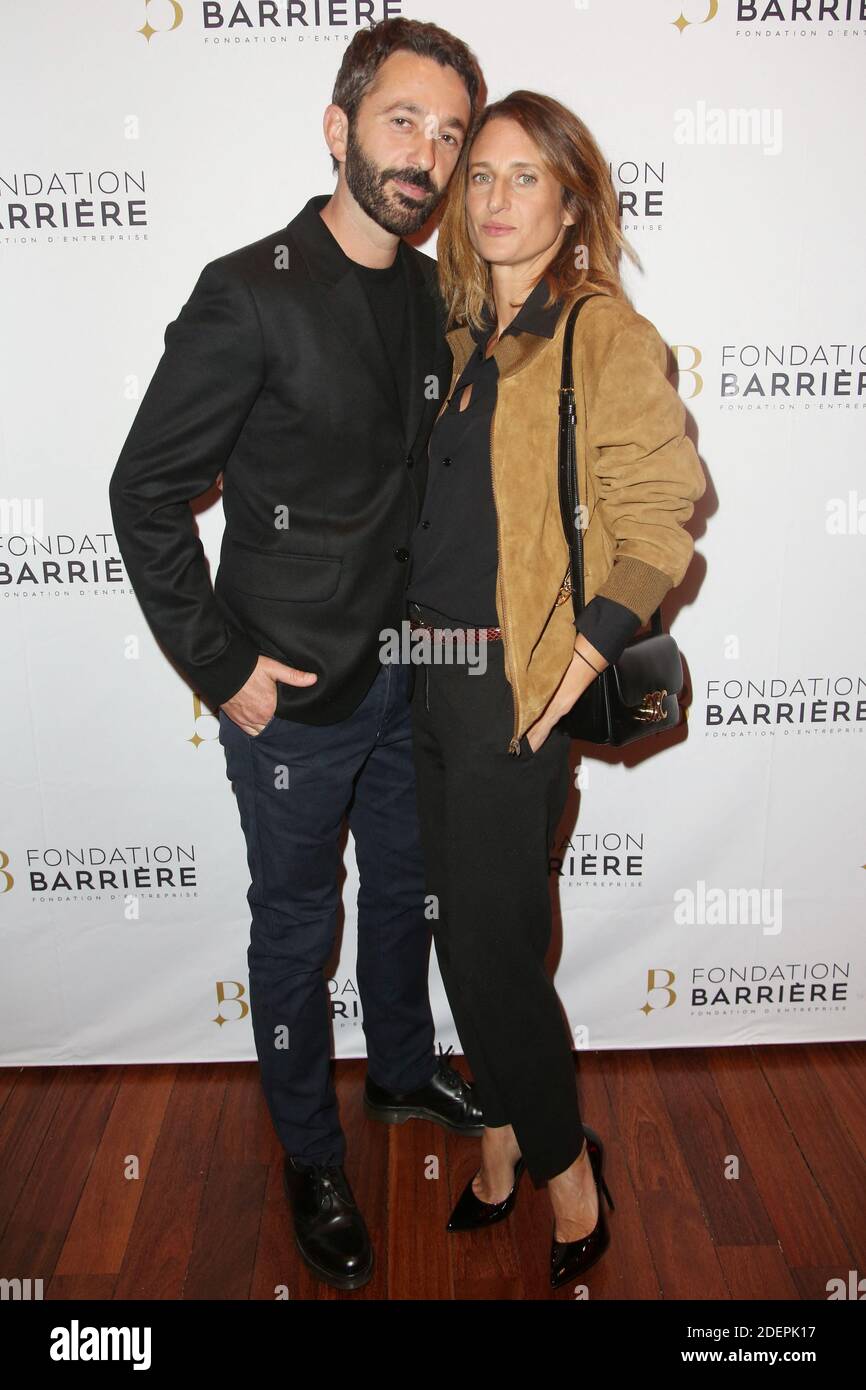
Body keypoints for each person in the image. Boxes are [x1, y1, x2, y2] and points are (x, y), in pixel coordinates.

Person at [108, 18, 486, 1293]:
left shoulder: (438, 296)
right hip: (290, 693)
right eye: (401, 122)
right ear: (337, 129)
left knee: (402, 891)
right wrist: (223, 669)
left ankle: (393, 1069)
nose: (425, 157)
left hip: (404, 679)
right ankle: (309, 1150)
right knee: (294, 925)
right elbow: (145, 492)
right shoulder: (249, 289)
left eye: (448, 134)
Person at [406, 90, 707, 1288]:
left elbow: (659, 517)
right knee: (471, 939)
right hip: (423, 676)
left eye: (523, 177)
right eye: (477, 175)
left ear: (571, 199)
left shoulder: (598, 334)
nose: (491, 198)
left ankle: (560, 1167)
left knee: (486, 951)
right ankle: (494, 1137)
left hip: (512, 686)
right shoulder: (464, 330)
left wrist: (578, 656)